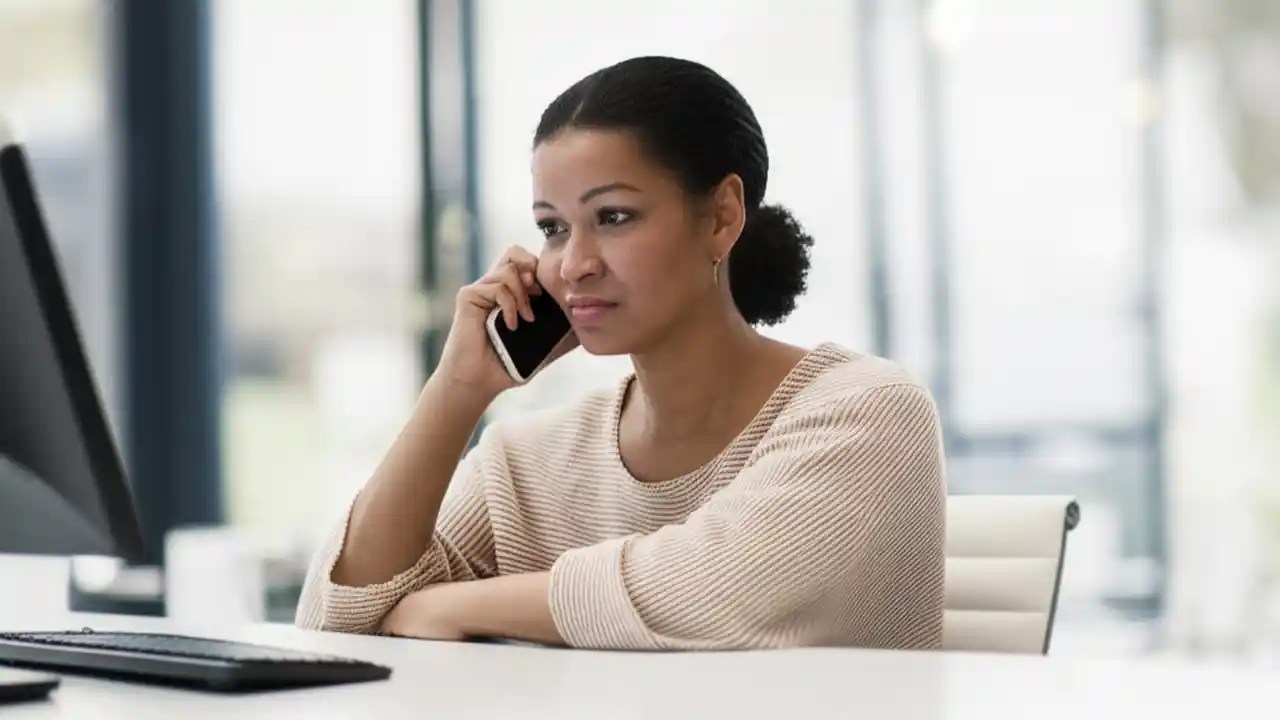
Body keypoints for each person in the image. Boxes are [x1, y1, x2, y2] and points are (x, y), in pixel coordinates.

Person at [296, 56, 946, 650]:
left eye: (613, 217)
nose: (573, 265)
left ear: (721, 217)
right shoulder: (525, 463)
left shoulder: (868, 413)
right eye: (553, 228)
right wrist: (457, 389)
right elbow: (340, 620)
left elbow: (711, 593)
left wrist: (451, 606)